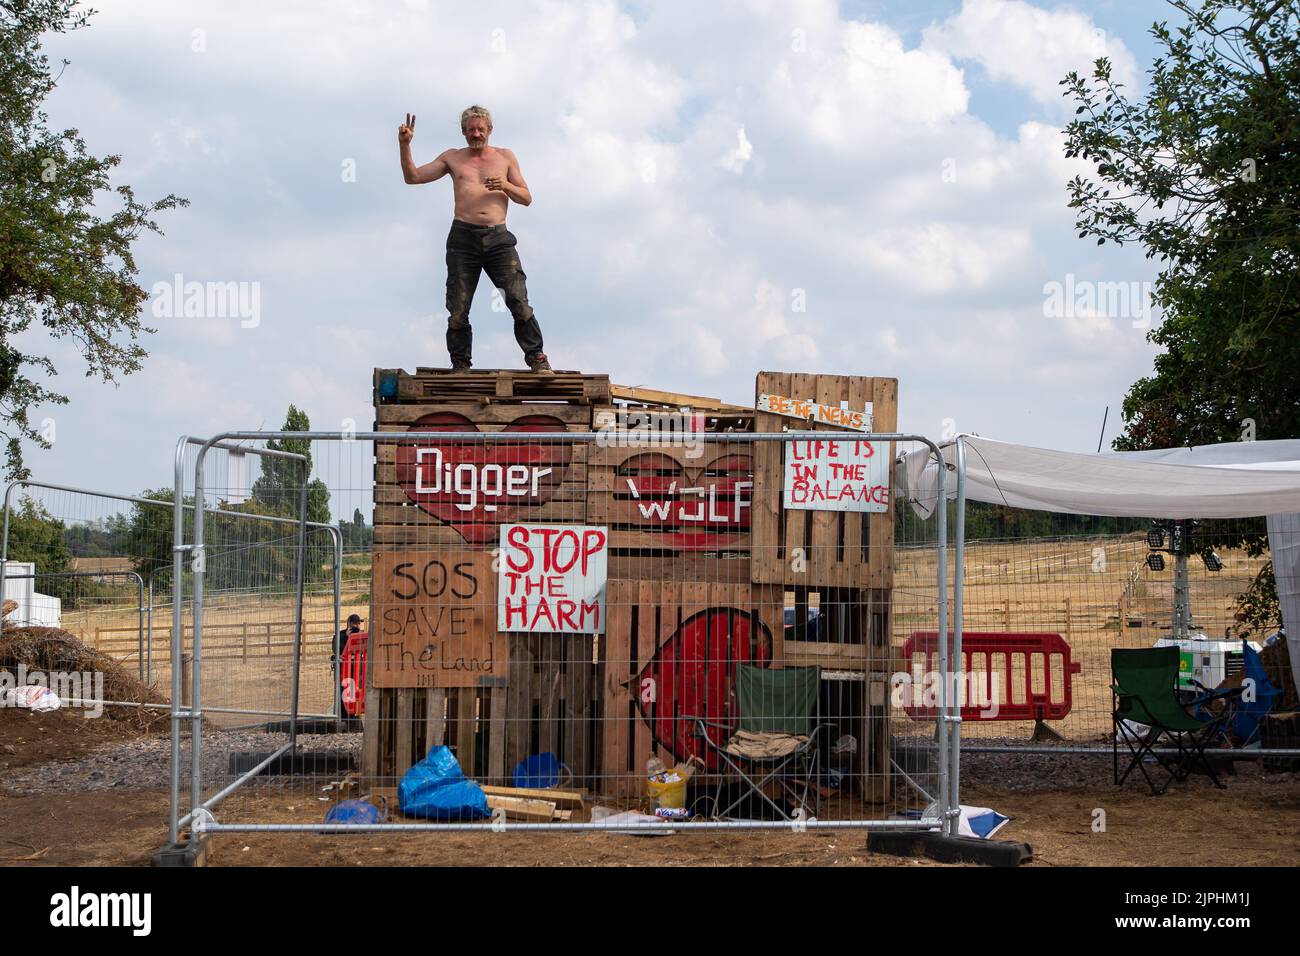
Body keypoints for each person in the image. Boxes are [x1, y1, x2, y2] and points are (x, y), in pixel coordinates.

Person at [398, 105, 553, 374]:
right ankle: (460, 363)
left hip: (498, 238)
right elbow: (413, 177)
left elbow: (526, 198)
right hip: (463, 238)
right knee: (458, 306)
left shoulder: (505, 157)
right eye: (471, 129)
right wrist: (405, 145)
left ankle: (537, 358)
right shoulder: (453, 158)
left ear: (490, 130)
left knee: (517, 299)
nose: (476, 133)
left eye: (481, 128)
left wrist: (505, 185)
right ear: (463, 132)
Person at [333, 614, 363, 717]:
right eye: (355, 623)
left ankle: (355, 716)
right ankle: (344, 716)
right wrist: (346, 637)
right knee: (344, 692)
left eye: (359, 623)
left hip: (357, 670)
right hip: (344, 670)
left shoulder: (361, 636)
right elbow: (337, 650)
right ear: (349, 624)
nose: (357, 626)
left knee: (356, 692)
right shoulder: (340, 635)